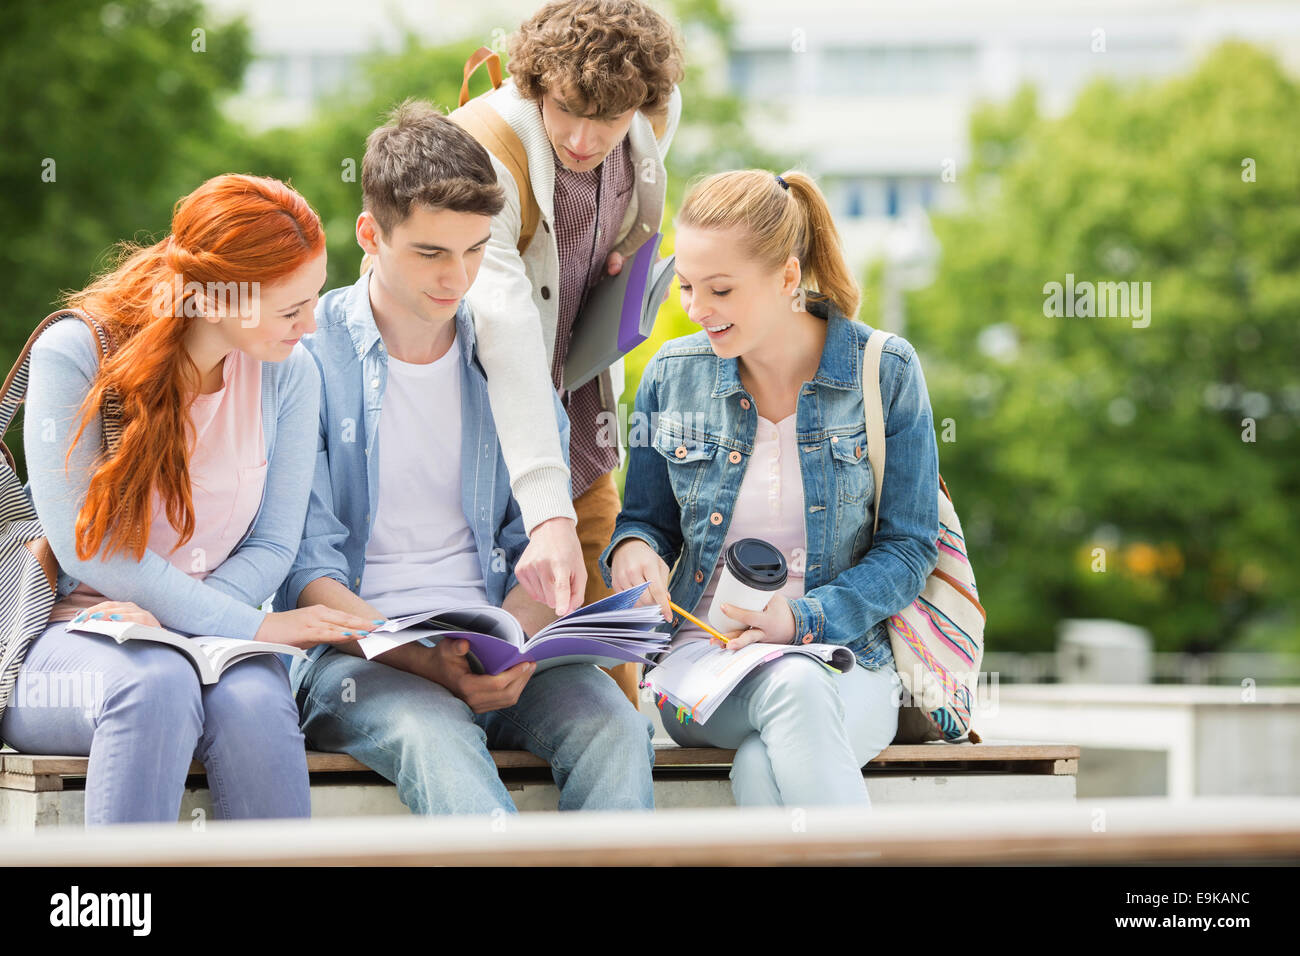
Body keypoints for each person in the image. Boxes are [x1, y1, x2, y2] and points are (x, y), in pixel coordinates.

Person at [278, 100, 655, 816]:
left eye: (476, 250)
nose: (458, 278)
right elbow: (306, 570)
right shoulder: (307, 357)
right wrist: (426, 663)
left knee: (613, 726)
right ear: (371, 234)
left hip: (494, 649)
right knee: (438, 737)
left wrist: (509, 649)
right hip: (358, 659)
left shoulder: (504, 352)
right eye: (431, 253)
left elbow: (533, 544)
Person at [1, 174, 377, 825]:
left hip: (212, 633)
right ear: (214, 298)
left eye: (313, 298)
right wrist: (255, 626)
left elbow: (271, 544)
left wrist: (191, 624)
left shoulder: (291, 372)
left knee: (256, 701)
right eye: (291, 309)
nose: (310, 324)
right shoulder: (77, 352)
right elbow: (87, 549)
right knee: (153, 684)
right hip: (61, 637)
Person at [603, 169, 942, 807]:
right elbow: (643, 521)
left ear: (789, 278)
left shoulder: (885, 370)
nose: (696, 309)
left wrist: (802, 619)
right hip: (704, 669)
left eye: (721, 290)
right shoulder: (672, 377)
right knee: (793, 689)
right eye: (685, 287)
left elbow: (909, 548)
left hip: (848, 661)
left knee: (767, 761)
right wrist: (632, 552)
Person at [462, 0, 684, 704]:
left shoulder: (655, 113)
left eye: (609, 121)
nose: (585, 140)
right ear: (533, 84)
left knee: (612, 667)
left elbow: (630, 206)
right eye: (566, 111)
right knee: (478, 664)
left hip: (582, 418)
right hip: (476, 423)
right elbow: (503, 328)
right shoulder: (483, 151)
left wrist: (620, 250)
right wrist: (545, 509)